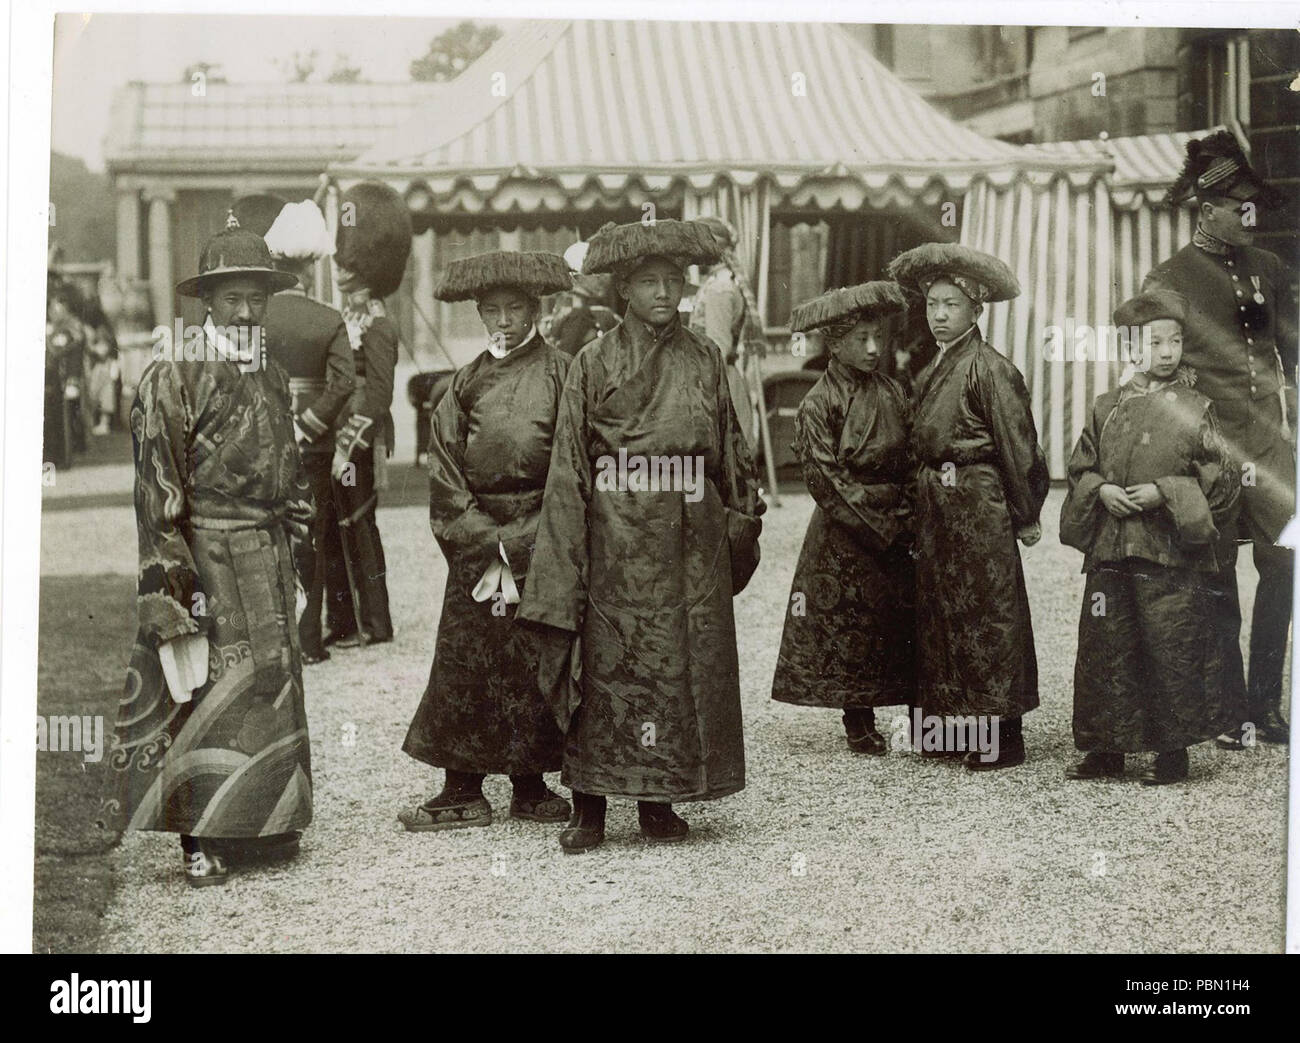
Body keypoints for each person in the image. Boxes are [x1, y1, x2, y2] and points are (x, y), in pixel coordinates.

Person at [517, 219, 765, 853]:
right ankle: (590, 804)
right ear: (623, 289)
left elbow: (732, 450)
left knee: (677, 665)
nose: (663, 293)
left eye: (672, 281)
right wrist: (568, 554)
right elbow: (571, 464)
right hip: (615, 532)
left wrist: (739, 520)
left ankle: (660, 798)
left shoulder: (705, 356)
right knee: (604, 662)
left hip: (688, 530)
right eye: (648, 282)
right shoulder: (593, 361)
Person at [99, 220, 315, 887]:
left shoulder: (274, 374)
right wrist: (170, 601)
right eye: (232, 299)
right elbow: (157, 494)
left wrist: (298, 561)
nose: (247, 311)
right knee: (200, 690)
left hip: (267, 550)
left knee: (266, 690)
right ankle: (196, 836)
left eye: (257, 297)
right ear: (208, 303)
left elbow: (293, 476)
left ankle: (261, 824)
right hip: (206, 556)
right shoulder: (175, 374)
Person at [397, 251, 575, 831]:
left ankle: (531, 783)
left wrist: (524, 543)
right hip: (476, 540)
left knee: (532, 657)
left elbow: (573, 470)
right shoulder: (464, 382)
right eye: (493, 310)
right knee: (466, 660)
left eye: (516, 309)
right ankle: (461, 788)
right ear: (478, 312)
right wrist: (484, 541)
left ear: (537, 310)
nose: (504, 320)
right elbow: (444, 468)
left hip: (541, 530)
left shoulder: (564, 374)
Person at [1142, 130, 1296, 748]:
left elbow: (1293, 354)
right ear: (1208, 211)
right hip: (1213, 449)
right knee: (1218, 571)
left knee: (1284, 562)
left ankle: (1266, 703)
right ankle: (1228, 709)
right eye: (1240, 207)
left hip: (1271, 447)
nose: (1251, 216)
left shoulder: (1271, 269)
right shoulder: (1170, 278)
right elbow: (1159, 371)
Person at [1060, 290, 1242, 785]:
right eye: (1155, 342)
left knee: (1169, 644)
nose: (1167, 351)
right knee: (1105, 644)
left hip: (1167, 553)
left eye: (1175, 341)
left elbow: (1220, 481)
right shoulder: (1106, 407)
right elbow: (1080, 469)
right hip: (1110, 551)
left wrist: (1166, 492)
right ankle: (1105, 748)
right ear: (1131, 348)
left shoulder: (1196, 407)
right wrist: (1102, 491)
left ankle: (1171, 751)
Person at [888, 242, 1049, 771]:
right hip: (938, 503)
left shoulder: (990, 369)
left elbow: (1019, 448)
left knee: (987, 610)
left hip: (978, 504)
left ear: (976, 310)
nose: (938, 314)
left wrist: (1025, 513)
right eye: (932, 303)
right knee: (942, 612)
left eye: (951, 304)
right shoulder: (935, 365)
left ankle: (1003, 734)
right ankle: (954, 727)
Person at [770, 281, 915, 753]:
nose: (874, 349)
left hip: (895, 519)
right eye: (861, 339)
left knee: (897, 620)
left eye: (878, 337)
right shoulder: (818, 403)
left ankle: (915, 710)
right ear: (835, 344)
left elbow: (914, 457)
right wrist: (882, 528)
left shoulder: (893, 392)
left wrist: (910, 514)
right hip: (846, 533)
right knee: (849, 622)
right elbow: (826, 482)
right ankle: (858, 717)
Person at [231, 194, 356, 664]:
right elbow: (344, 382)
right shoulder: (328, 318)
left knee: (264, 534)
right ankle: (309, 641)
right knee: (312, 538)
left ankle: (267, 638)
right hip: (315, 444)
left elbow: (240, 376)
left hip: (263, 439)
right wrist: (310, 422)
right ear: (309, 270)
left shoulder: (255, 318)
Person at [322, 181, 412, 647]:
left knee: (359, 526)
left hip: (358, 440)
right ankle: (347, 620)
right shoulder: (351, 319)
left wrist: (345, 447)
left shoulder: (378, 324)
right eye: (341, 259)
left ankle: (376, 623)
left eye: (349, 262)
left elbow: (376, 397)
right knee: (341, 528)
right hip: (341, 436)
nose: (340, 268)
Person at [690, 215, 762, 450]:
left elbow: (717, 348)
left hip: (717, 383)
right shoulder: (718, 282)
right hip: (719, 379)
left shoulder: (720, 288)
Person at [544, 241, 619, 355]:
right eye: (595, 274)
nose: (604, 279)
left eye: (604, 273)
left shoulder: (567, 304)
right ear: (577, 278)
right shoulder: (579, 311)